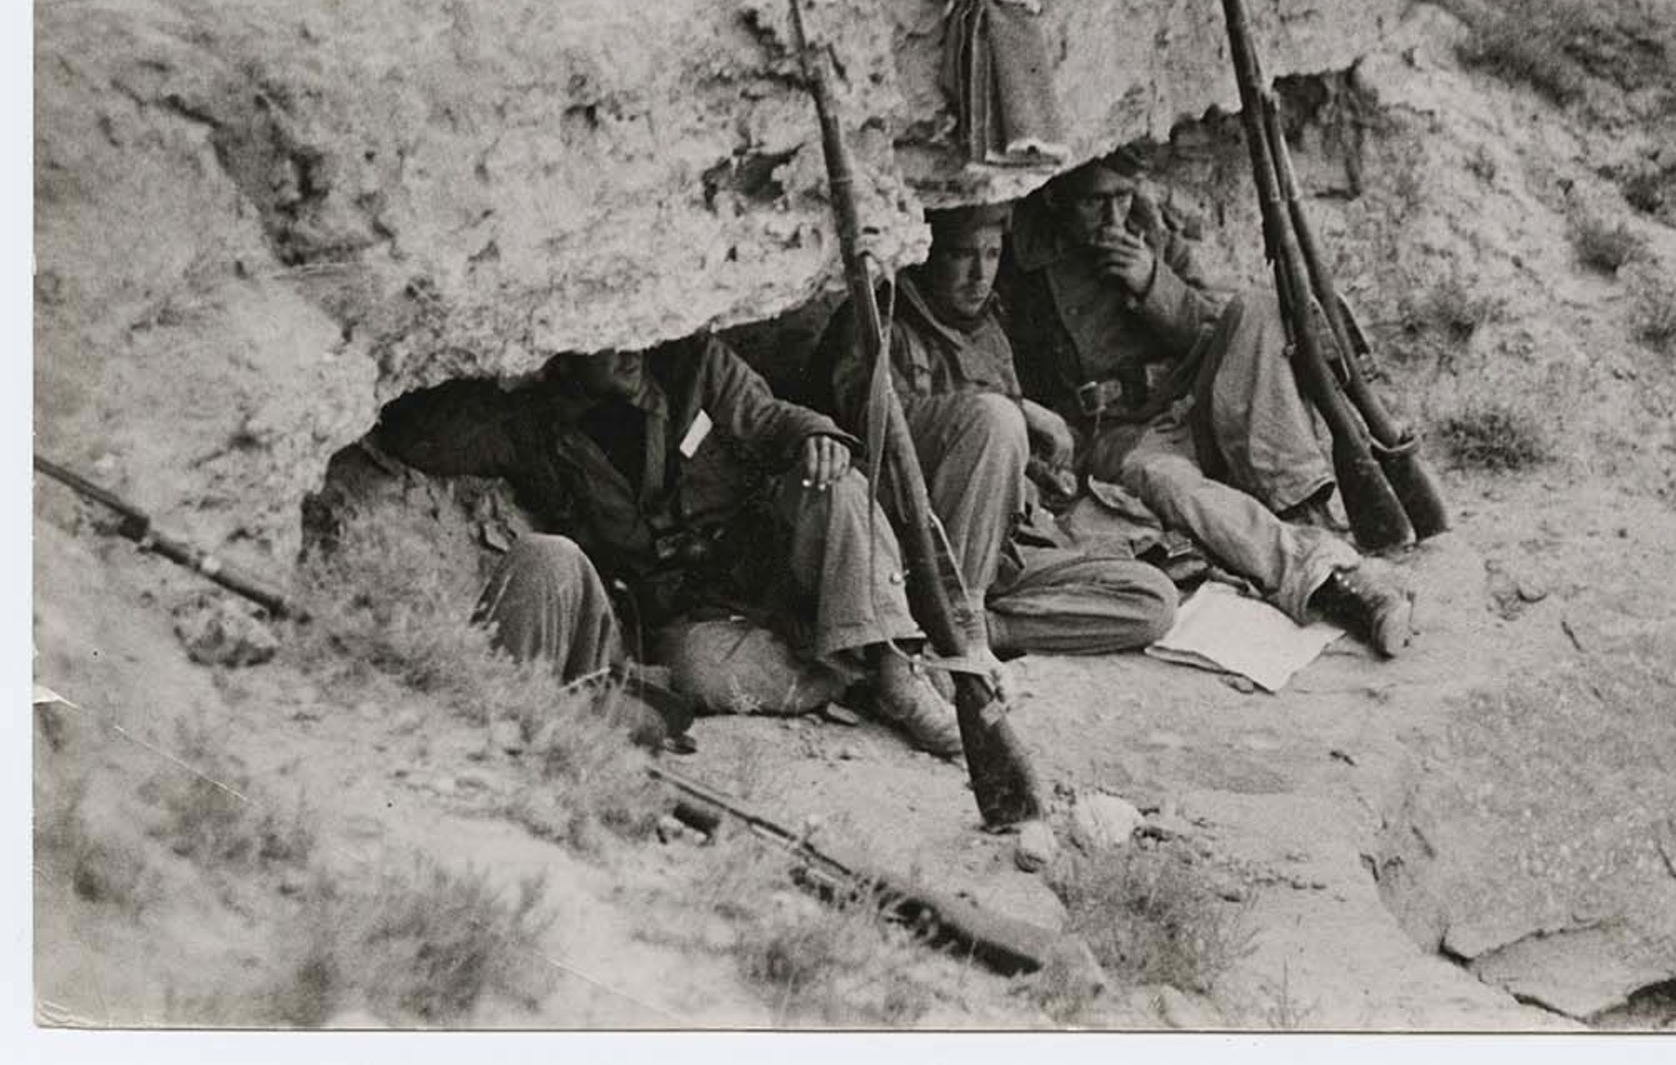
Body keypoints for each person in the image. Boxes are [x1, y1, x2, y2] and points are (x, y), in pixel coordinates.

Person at [343, 332, 964, 757]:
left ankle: (890, 663)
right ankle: (846, 669)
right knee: (695, 671)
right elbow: (419, 438)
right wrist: (498, 368)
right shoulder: (536, 428)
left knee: (837, 483)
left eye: (635, 334)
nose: (630, 351)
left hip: (766, 566)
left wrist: (816, 435)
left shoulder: (696, 366)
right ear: (566, 349)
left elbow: (768, 417)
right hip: (687, 614)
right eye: (608, 341)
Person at [1000, 155, 1415, 655]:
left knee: (1257, 308)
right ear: (1054, 196)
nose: (1113, 219)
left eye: (1122, 197)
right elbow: (983, 357)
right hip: (1116, 434)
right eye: (1094, 202)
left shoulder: (1149, 236)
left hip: (1191, 403)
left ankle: (1304, 510)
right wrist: (1028, 410)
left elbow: (1216, 326)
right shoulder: (1018, 264)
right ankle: (1334, 580)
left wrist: (1156, 285)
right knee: (1168, 482)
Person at [796, 202, 1179, 658]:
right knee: (993, 418)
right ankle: (960, 620)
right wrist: (1017, 414)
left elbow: (1007, 458)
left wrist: (1039, 470)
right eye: (962, 254)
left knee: (1153, 599)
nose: (980, 274)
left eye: (993, 255)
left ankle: (985, 632)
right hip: (911, 555)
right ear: (926, 254)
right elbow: (874, 432)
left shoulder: (987, 329)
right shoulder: (877, 324)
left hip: (999, 552)